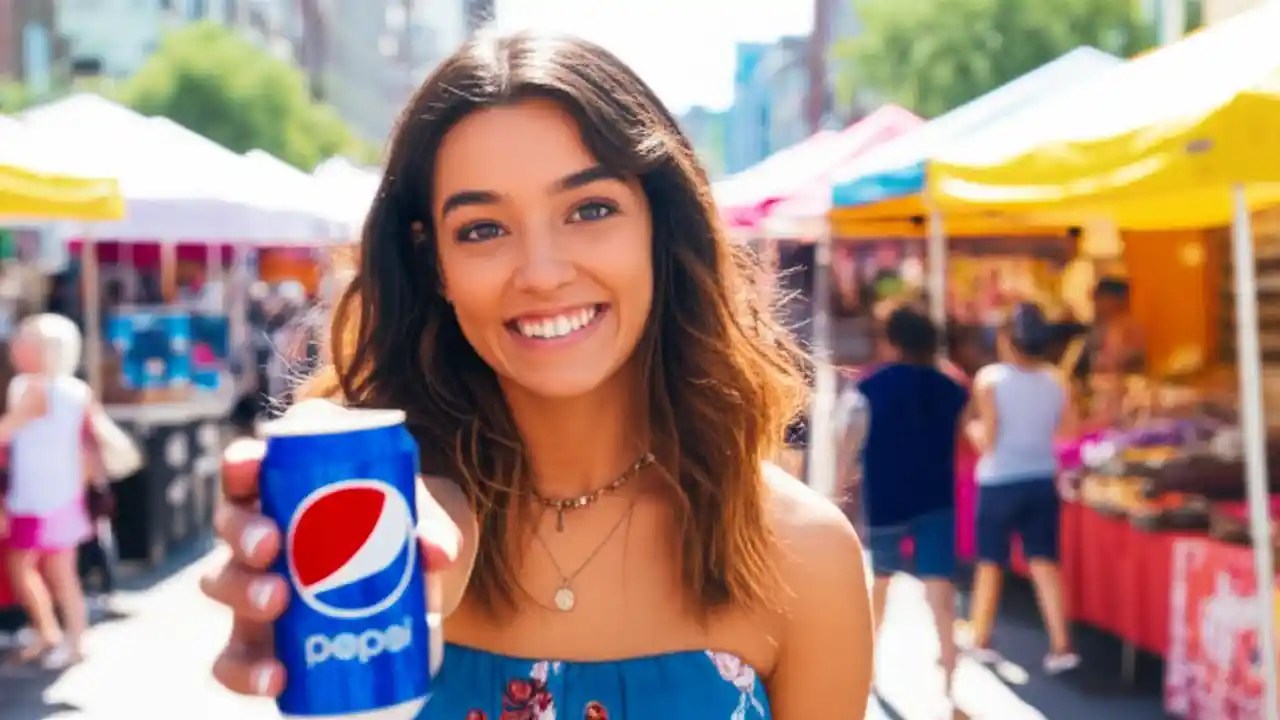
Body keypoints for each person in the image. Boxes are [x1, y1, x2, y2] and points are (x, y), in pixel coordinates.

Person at [201, 32, 873, 719]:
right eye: (483, 229)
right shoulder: (395, 539)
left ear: (658, 227)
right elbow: (423, 535)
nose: (544, 272)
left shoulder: (803, 556)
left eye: (590, 210)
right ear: (433, 263)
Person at [850, 305, 968, 715]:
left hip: (885, 498)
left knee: (878, 586)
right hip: (936, 496)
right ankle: (951, 685)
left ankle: (866, 674)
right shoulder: (952, 388)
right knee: (941, 591)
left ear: (893, 340)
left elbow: (851, 437)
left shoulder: (871, 386)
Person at [966, 303, 1080, 674]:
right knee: (1045, 562)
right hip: (1041, 478)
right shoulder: (1056, 381)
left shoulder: (991, 379)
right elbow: (1067, 432)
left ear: (1006, 340)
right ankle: (1062, 645)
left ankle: (980, 637)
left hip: (1000, 480)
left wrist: (973, 432)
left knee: (991, 562)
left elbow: (990, 438)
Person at [0, 314, 99, 669]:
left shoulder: (30, 388)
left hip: (36, 497)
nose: (14, 346)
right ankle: (66, 636)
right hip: (64, 495)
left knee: (28, 567)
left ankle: (54, 634)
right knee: (61, 573)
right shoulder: (76, 390)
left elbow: (6, 433)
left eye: (23, 339)